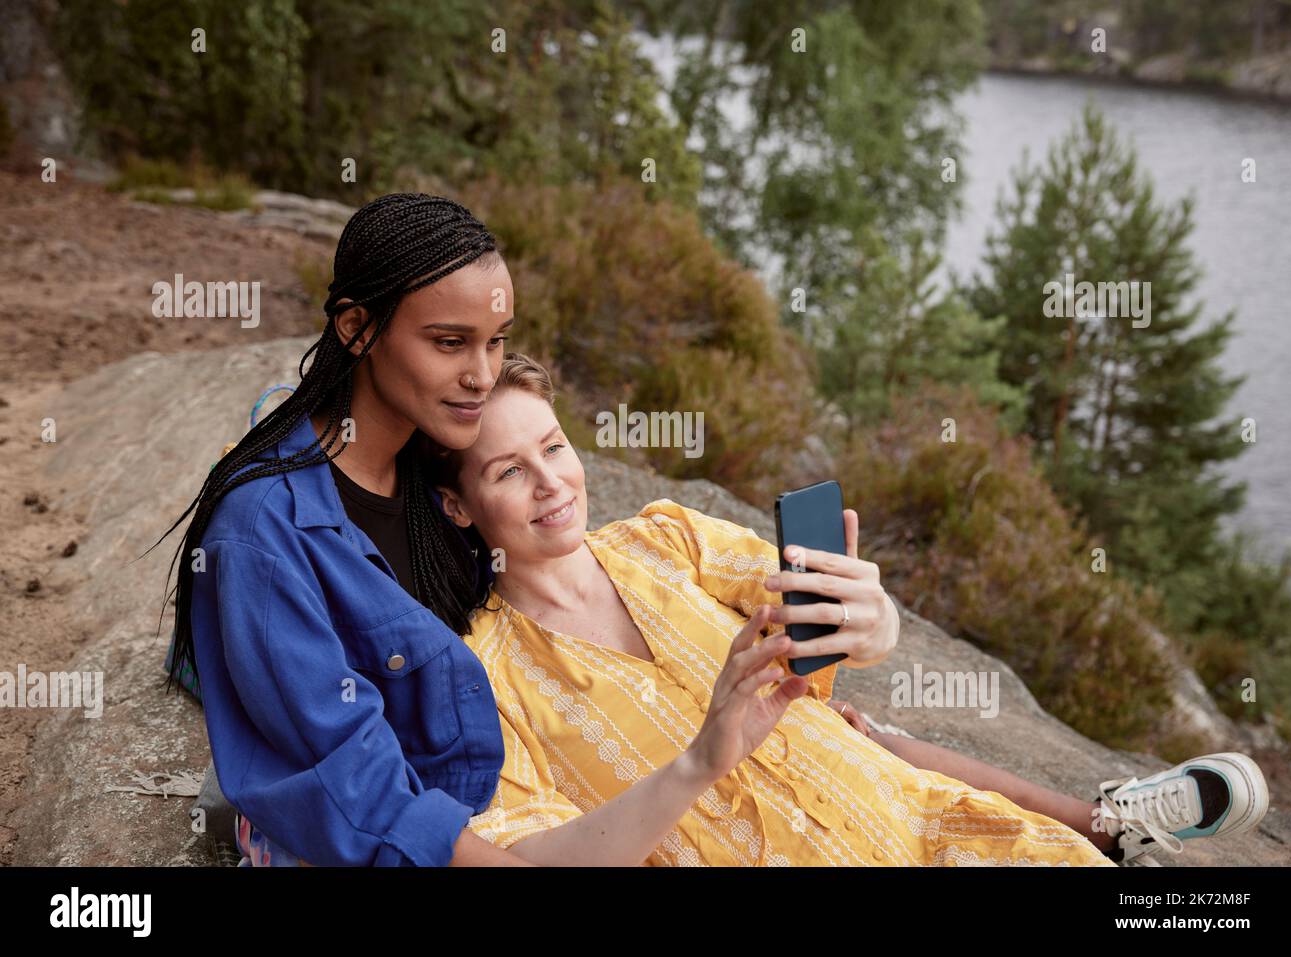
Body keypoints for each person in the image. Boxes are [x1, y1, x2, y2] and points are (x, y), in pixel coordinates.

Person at [154, 193, 826, 867]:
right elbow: (363, 802)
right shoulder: (265, 532)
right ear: (357, 328)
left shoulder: (439, 463)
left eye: (496, 340)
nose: (481, 375)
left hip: (510, 806)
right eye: (450, 343)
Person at [428, 352, 1270, 866]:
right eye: (508, 471)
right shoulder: (482, 674)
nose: (551, 483)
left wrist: (875, 621)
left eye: (555, 447)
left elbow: (838, 620)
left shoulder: (665, 539)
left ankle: (1108, 823)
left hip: (931, 829)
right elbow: (527, 857)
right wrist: (696, 763)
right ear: (459, 505)